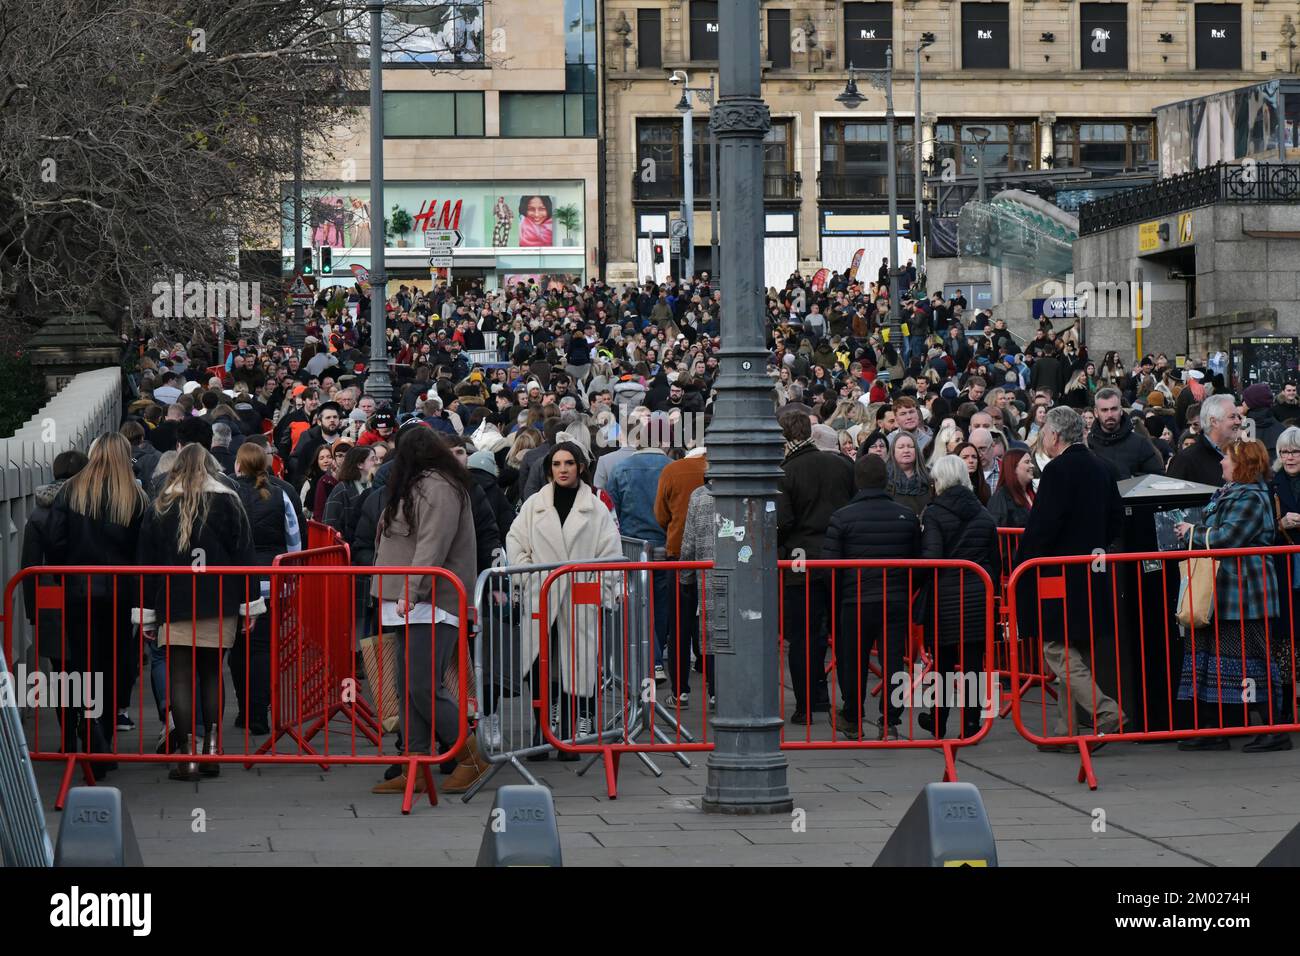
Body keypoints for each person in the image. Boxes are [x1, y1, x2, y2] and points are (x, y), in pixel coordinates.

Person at [369, 426, 489, 795]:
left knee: (422, 685)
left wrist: (411, 588)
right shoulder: (431, 483)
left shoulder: (436, 486)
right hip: (417, 598)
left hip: (430, 600)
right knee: (409, 686)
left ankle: (472, 756)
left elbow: (432, 543)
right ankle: (415, 764)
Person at [136, 444, 260, 781]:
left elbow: (147, 564)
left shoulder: (160, 505)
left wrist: (146, 613)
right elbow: (245, 557)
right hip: (220, 598)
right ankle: (213, 748)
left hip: (174, 600)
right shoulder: (229, 501)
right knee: (212, 673)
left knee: (179, 676)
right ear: (211, 467)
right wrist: (250, 605)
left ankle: (187, 754)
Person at [1015, 406, 1124, 750]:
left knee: (1056, 648)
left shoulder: (1058, 471)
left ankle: (1105, 711)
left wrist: (1023, 564)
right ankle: (1067, 730)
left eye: (1045, 432)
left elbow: (1042, 526)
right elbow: (1117, 520)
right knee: (1076, 647)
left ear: (1055, 435)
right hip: (1093, 568)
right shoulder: (1103, 467)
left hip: (1058, 572)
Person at [506, 442, 623, 759]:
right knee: (538, 666)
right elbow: (516, 544)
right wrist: (529, 576)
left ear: (580, 467)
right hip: (542, 594)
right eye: (557, 464)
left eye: (569, 463)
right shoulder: (534, 505)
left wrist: (600, 589)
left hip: (578, 596)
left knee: (577, 665)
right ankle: (540, 730)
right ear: (548, 469)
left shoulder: (595, 507)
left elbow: (610, 554)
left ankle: (569, 734)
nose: (563, 469)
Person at [1173, 439, 1287, 752]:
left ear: (1241, 465)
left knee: (1255, 660)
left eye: (1227, 458)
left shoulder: (1251, 495)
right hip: (1223, 592)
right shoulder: (1229, 491)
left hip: (1246, 593)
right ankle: (1214, 730)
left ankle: (1275, 728)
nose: (1222, 462)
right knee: (1212, 661)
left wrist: (1191, 532)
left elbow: (1228, 537)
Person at [45, 435, 148, 773]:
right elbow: (141, 549)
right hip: (120, 593)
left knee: (82, 662)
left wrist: (65, 578)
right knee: (113, 663)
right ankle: (102, 733)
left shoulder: (71, 491)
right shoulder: (133, 495)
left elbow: (56, 543)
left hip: (78, 591)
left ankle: (89, 729)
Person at [822, 453, 921, 739]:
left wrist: (836, 598)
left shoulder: (842, 517)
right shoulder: (906, 516)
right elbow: (917, 559)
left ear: (857, 480)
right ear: (886, 478)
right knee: (893, 661)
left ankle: (853, 716)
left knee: (852, 659)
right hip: (896, 598)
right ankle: (890, 721)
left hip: (855, 599)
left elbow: (830, 568)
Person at [777, 408, 855, 723]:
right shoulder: (841, 465)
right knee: (847, 636)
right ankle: (851, 704)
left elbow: (782, 521)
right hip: (839, 558)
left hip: (801, 563)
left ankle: (806, 705)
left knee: (804, 638)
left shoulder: (785, 472)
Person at [916, 455, 1000, 739]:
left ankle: (938, 721)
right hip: (977, 594)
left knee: (943, 662)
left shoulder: (934, 513)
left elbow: (932, 558)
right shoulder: (982, 512)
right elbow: (994, 559)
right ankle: (971, 725)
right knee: (973, 664)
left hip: (945, 596)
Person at [20, 450, 90, 753]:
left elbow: (29, 565)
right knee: (89, 666)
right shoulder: (89, 507)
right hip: (86, 595)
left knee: (62, 670)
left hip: (51, 598)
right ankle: (90, 731)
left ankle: (67, 737)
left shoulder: (38, 514)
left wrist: (32, 610)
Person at [231, 442, 301, 736]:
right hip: (270, 582)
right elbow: (294, 538)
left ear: (238, 465)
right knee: (262, 649)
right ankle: (258, 712)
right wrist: (292, 579)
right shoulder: (280, 493)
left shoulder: (229, 493)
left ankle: (244, 708)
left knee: (237, 648)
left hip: (235, 582)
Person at [654, 444, 709, 705]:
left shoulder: (673, 470)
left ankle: (680, 690)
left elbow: (660, 515)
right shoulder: (720, 470)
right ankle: (715, 690)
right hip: (715, 555)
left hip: (678, 552)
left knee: (680, 624)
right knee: (713, 624)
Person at [1089, 387, 1163, 480]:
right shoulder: (1088, 444)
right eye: (1104, 410)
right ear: (1096, 412)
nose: (1110, 415)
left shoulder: (1139, 443)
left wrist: (1131, 480)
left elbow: (1157, 477)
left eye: (1114, 409)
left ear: (1120, 410)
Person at [1167, 393, 1240, 486]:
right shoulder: (1186, 460)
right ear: (1214, 422)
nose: (1238, 421)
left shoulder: (1242, 453)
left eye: (1238, 417)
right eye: (1232, 417)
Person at [886, 431, 931, 517]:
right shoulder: (884, 478)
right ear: (893, 451)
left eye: (910, 447)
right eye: (901, 447)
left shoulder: (929, 476)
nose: (906, 450)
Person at [987, 448, 1035, 528]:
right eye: (1027, 462)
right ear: (1014, 468)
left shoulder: (1033, 494)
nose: (1032, 465)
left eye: (1031, 462)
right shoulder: (1000, 498)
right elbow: (997, 530)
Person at [955, 441, 992, 505]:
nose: (971, 461)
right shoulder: (950, 488)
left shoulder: (985, 489)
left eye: (974, 457)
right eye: (965, 457)